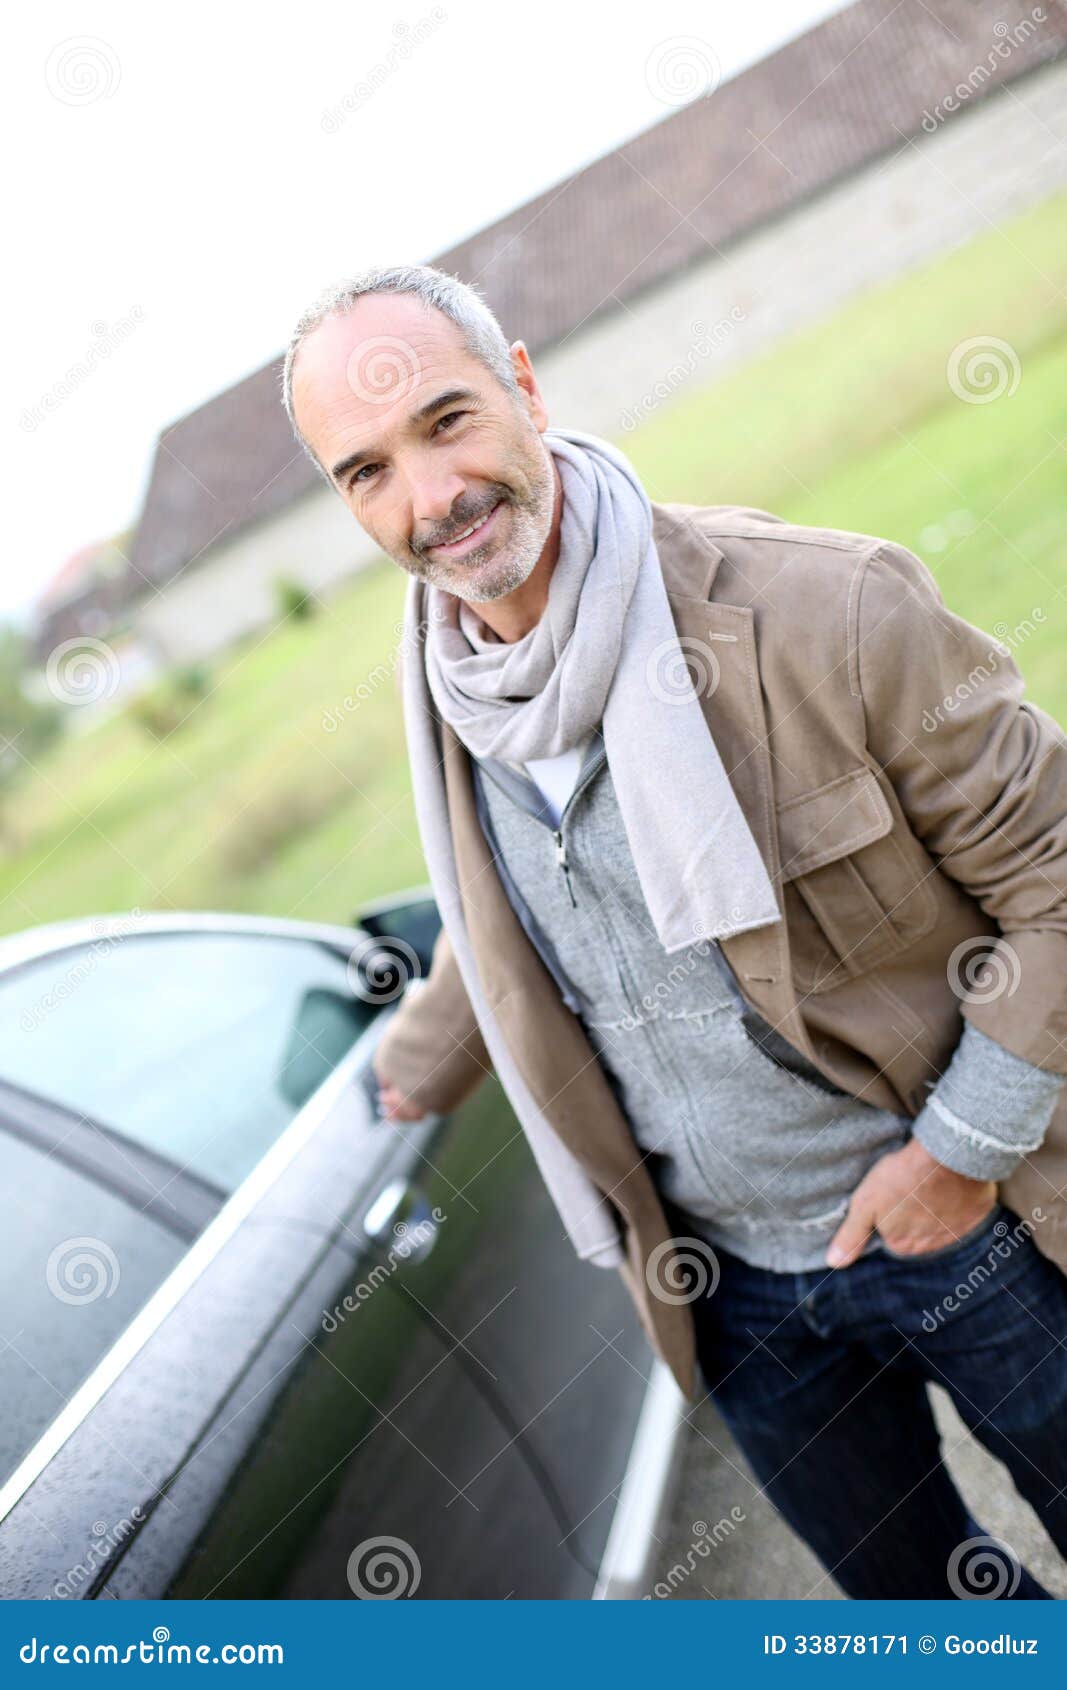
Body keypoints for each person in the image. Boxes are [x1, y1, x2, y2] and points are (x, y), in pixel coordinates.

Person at [282, 263, 1067, 1599]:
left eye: (449, 420)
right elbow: (515, 927)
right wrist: (401, 1070)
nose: (431, 499)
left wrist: (959, 1152)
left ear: (524, 385)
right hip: (737, 1300)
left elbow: (1057, 873)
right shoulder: (456, 708)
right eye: (367, 471)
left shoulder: (831, 609)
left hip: (963, 1217)